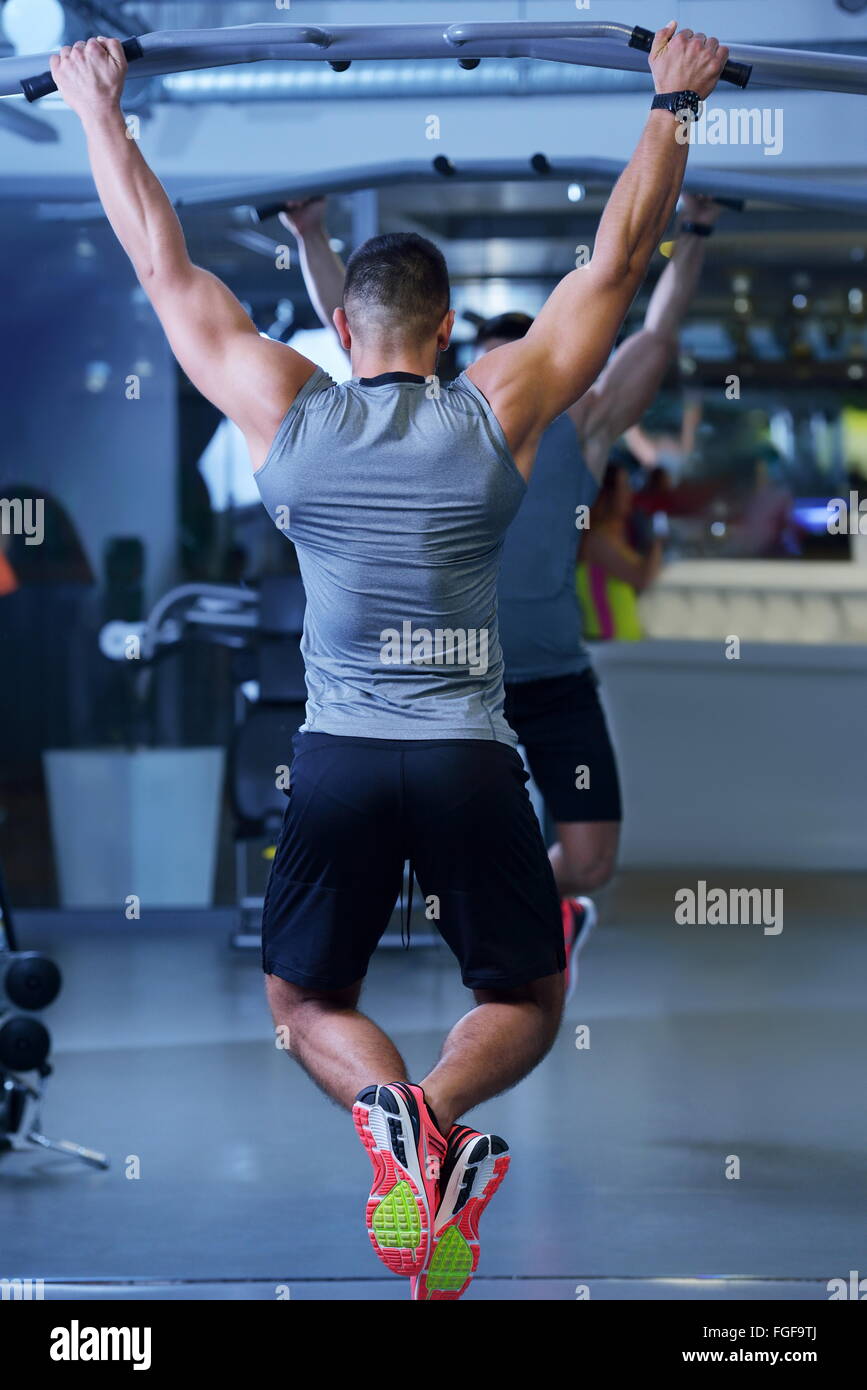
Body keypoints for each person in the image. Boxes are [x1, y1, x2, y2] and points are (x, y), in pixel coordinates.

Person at [52, 25, 727, 1299]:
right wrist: (672, 102)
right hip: (475, 759)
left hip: (341, 760)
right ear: (445, 325)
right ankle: (432, 1115)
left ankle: (396, 1129)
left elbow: (161, 261)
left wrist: (101, 109)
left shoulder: (285, 410)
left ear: (345, 328)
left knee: (304, 1006)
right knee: (526, 995)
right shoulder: (496, 411)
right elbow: (620, 260)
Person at [284, 193, 721, 996]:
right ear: (457, 357)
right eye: (483, 361)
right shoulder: (444, 424)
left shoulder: (575, 428)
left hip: (548, 678)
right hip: (448, 697)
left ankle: (528, 910)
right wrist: (311, 235)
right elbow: (361, 329)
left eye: (512, 364)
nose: (497, 378)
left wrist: (690, 231)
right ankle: (482, 917)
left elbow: (652, 335)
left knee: (589, 861)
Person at [577, 461, 665, 640]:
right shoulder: (597, 541)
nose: (629, 493)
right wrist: (657, 539)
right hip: (609, 643)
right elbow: (642, 578)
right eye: (624, 486)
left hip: (621, 642)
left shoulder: (608, 537)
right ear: (607, 494)